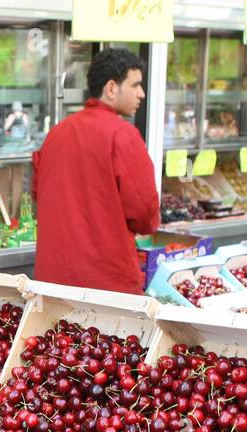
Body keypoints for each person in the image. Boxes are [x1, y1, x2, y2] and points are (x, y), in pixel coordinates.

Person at [32, 48, 159, 294]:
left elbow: (40, 196)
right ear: (112, 88)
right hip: (105, 284)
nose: (141, 94)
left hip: (53, 279)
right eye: (135, 85)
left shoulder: (56, 134)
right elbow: (145, 212)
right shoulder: (122, 135)